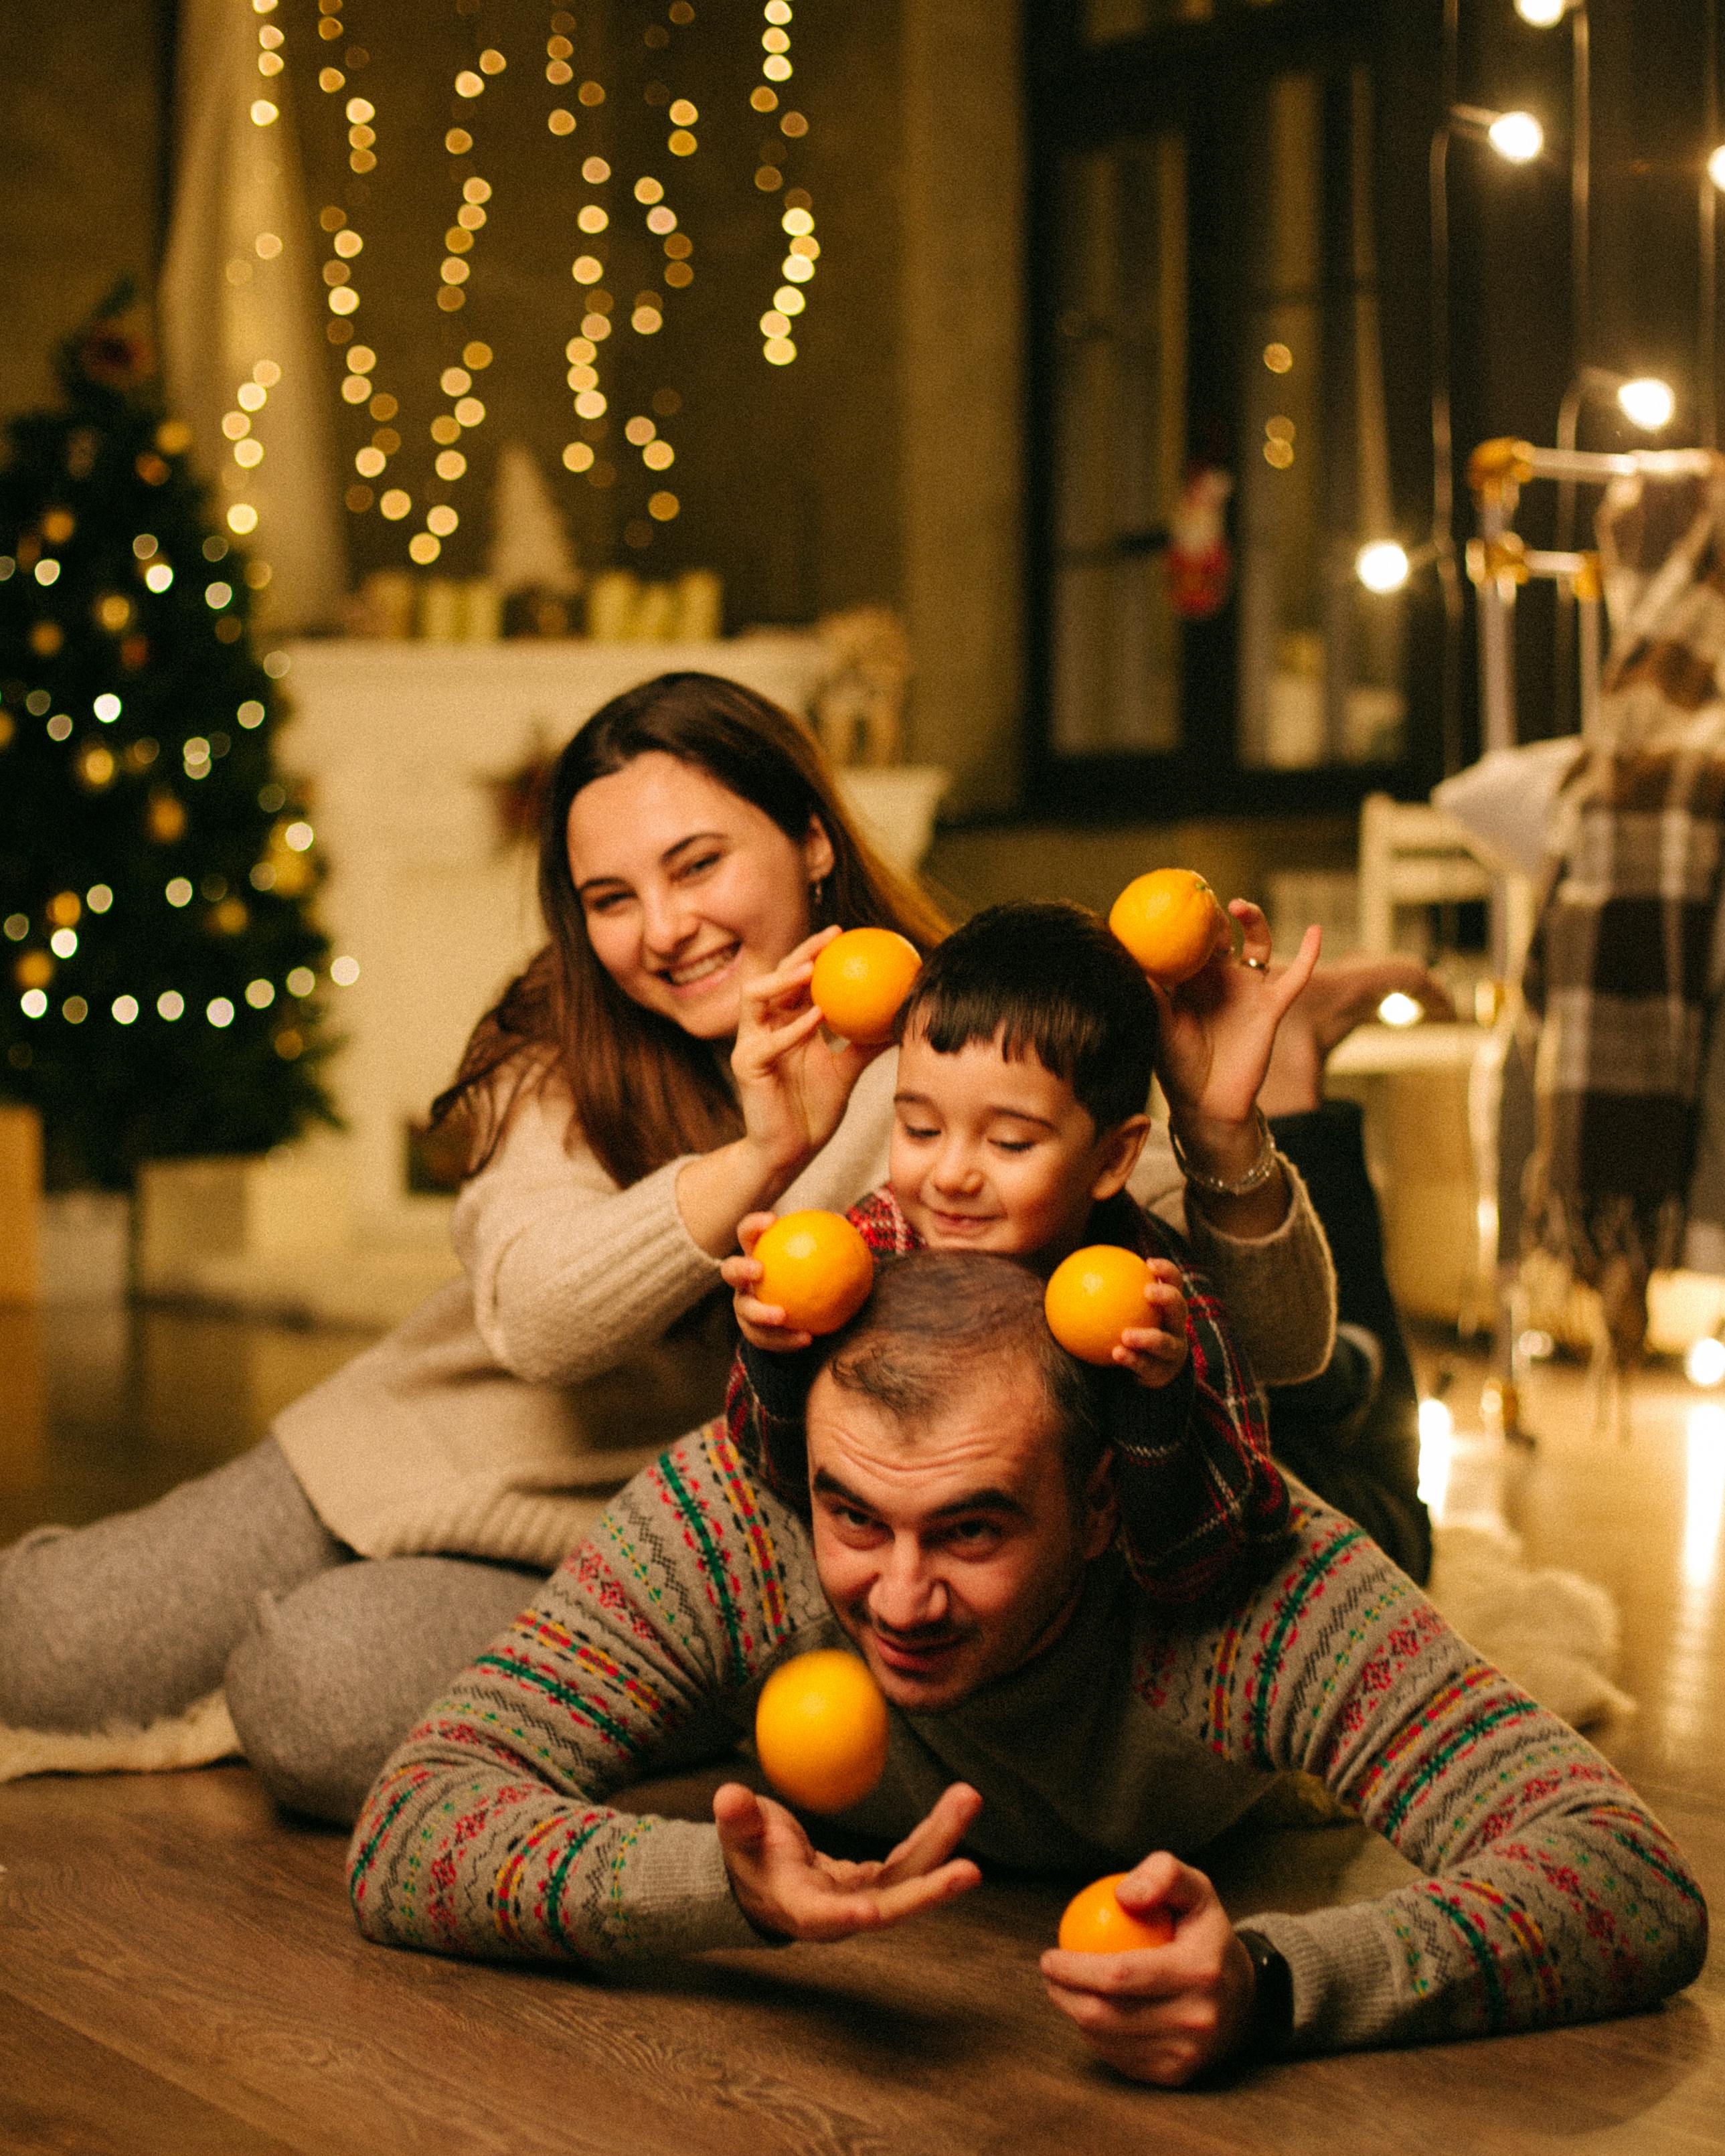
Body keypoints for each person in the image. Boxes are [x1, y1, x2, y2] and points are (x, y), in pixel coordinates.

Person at [0, 672, 1336, 1823]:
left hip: (682, 1557)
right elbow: (532, 1317)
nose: (664, 927)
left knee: (318, 1695)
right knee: (41, 1644)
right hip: (426, 1452)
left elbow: (1270, 1345)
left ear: (812, 839)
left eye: (697, 863)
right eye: (610, 894)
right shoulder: (558, 1053)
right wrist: (760, 1154)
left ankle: (700, 1706)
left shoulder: (962, 1062)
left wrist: (1226, 1132)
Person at [347, 1250, 1706, 2083]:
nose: (900, 1591)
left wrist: (1275, 1985)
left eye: (974, 1526)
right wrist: (710, 1882)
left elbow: (1626, 1876)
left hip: (1295, 1437)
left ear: (1105, 1503)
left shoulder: (1251, 1585)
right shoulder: (732, 1510)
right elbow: (413, 1820)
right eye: (855, 1518)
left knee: (1337, 1387)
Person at [724, 898, 1291, 1608]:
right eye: (921, 1128)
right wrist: (774, 1352)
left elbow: (1207, 1568)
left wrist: (1155, 1407)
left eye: (1010, 1142)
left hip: (1073, 1637)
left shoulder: (1157, 1305)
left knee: (1333, 1422)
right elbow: (777, 1480)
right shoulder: (867, 1251)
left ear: (1114, 1157)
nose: (952, 1174)